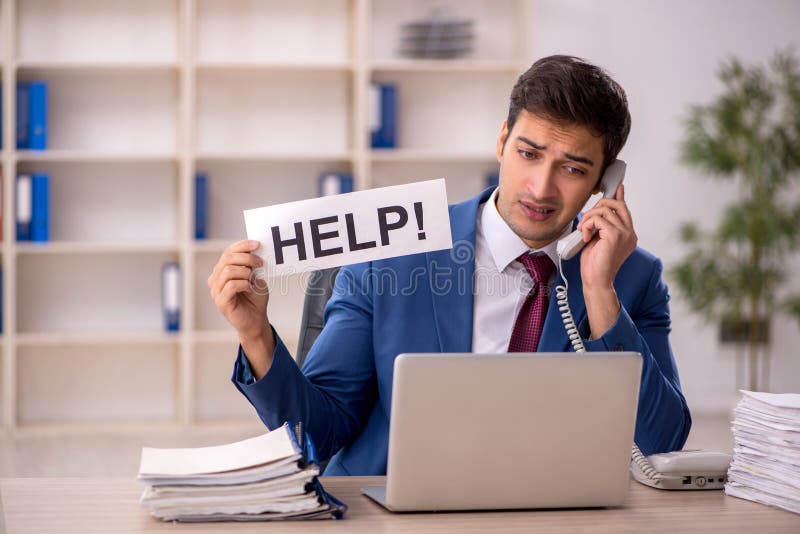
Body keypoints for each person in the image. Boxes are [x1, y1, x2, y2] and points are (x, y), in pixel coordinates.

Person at [208, 55, 692, 476]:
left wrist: (600, 292)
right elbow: (316, 435)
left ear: (604, 181)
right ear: (502, 142)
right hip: (397, 509)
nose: (541, 188)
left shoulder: (633, 278)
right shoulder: (392, 251)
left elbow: (659, 446)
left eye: (572, 168)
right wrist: (256, 336)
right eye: (529, 154)